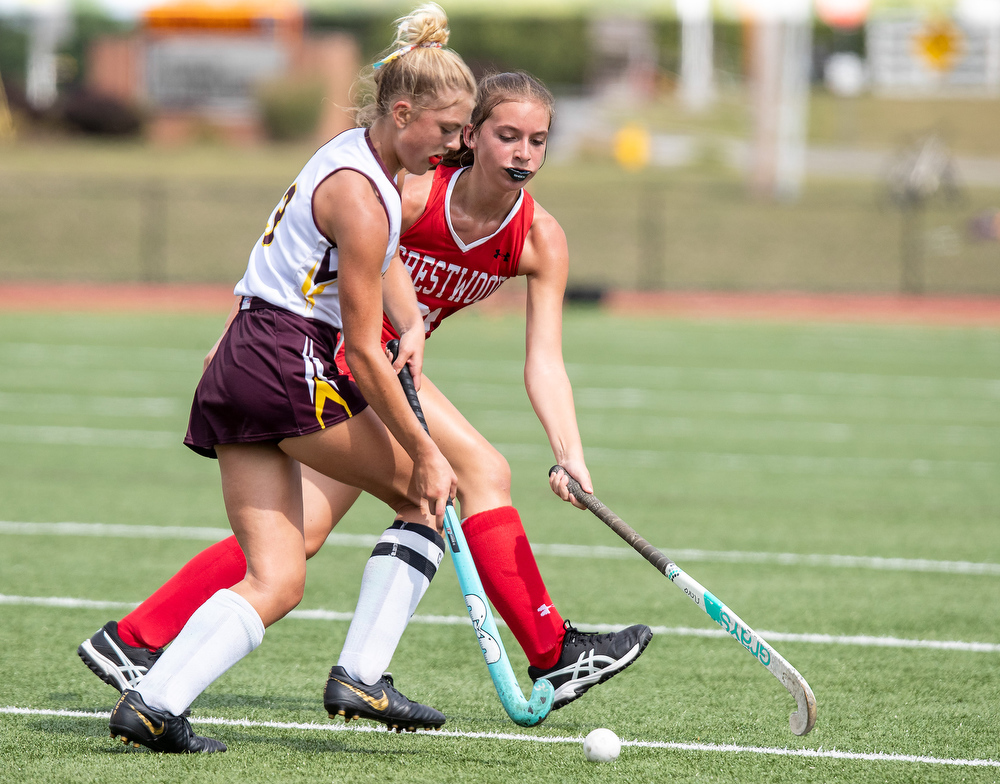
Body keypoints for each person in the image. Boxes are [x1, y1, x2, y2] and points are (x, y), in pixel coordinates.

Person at [82, 70, 653, 745]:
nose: (523, 153)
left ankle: (136, 638)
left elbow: (544, 359)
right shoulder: (407, 187)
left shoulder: (538, 237)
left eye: (538, 140)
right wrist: (241, 327)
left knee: (296, 546)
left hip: (336, 363)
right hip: (341, 360)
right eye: (505, 135)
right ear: (472, 136)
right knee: (469, 474)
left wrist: (570, 452)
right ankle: (551, 653)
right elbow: (322, 261)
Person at [97, 3, 477, 754]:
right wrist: (428, 453)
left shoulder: (353, 157)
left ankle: (153, 704)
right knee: (423, 498)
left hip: (242, 355)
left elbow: (380, 265)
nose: (455, 145)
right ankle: (364, 675)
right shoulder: (366, 199)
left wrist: (410, 321)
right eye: (447, 129)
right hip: (284, 362)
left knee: (277, 577)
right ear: (403, 112)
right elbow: (362, 356)